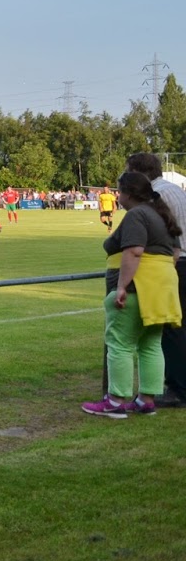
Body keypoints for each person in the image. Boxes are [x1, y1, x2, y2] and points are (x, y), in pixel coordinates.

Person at [83, 171, 183, 417]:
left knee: (120, 344)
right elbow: (175, 253)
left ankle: (116, 401)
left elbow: (135, 251)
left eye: (119, 191)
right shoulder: (161, 214)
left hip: (137, 288)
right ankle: (146, 400)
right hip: (160, 288)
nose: (118, 196)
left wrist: (122, 286)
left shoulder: (137, 214)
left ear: (128, 193)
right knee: (151, 344)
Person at [124, 153, 186, 407]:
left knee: (171, 330)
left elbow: (155, 234)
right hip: (180, 259)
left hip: (174, 262)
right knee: (177, 327)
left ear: (138, 173)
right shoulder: (175, 189)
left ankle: (178, 388)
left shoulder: (157, 195)